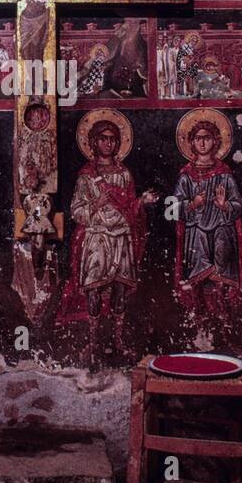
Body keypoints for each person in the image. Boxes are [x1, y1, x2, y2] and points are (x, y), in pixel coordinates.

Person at [58, 117, 156, 361]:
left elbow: (130, 207)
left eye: (113, 139)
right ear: (93, 142)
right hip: (97, 238)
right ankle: (92, 342)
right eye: (103, 138)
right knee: (94, 291)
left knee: (120, 291)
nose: (108, 143)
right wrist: (96, 203)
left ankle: (118, 341)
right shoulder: (87, 176)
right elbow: (76, 211)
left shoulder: (124, 174)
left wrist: (142, 202)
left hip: (120, 238)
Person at [173, 118, 242, 318]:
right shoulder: (186, 176)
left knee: (220, 279)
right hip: (196, 232)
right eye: (197, 138)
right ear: (191, 143)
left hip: (222, 229)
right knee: (197, 279)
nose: (202, 142)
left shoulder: (225, 175)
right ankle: (199, 316)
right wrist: (193, 203)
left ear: (216, 141)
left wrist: (224, 205)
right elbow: (174, 207)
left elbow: (238, 205)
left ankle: (224, 317)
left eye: (207, 138)